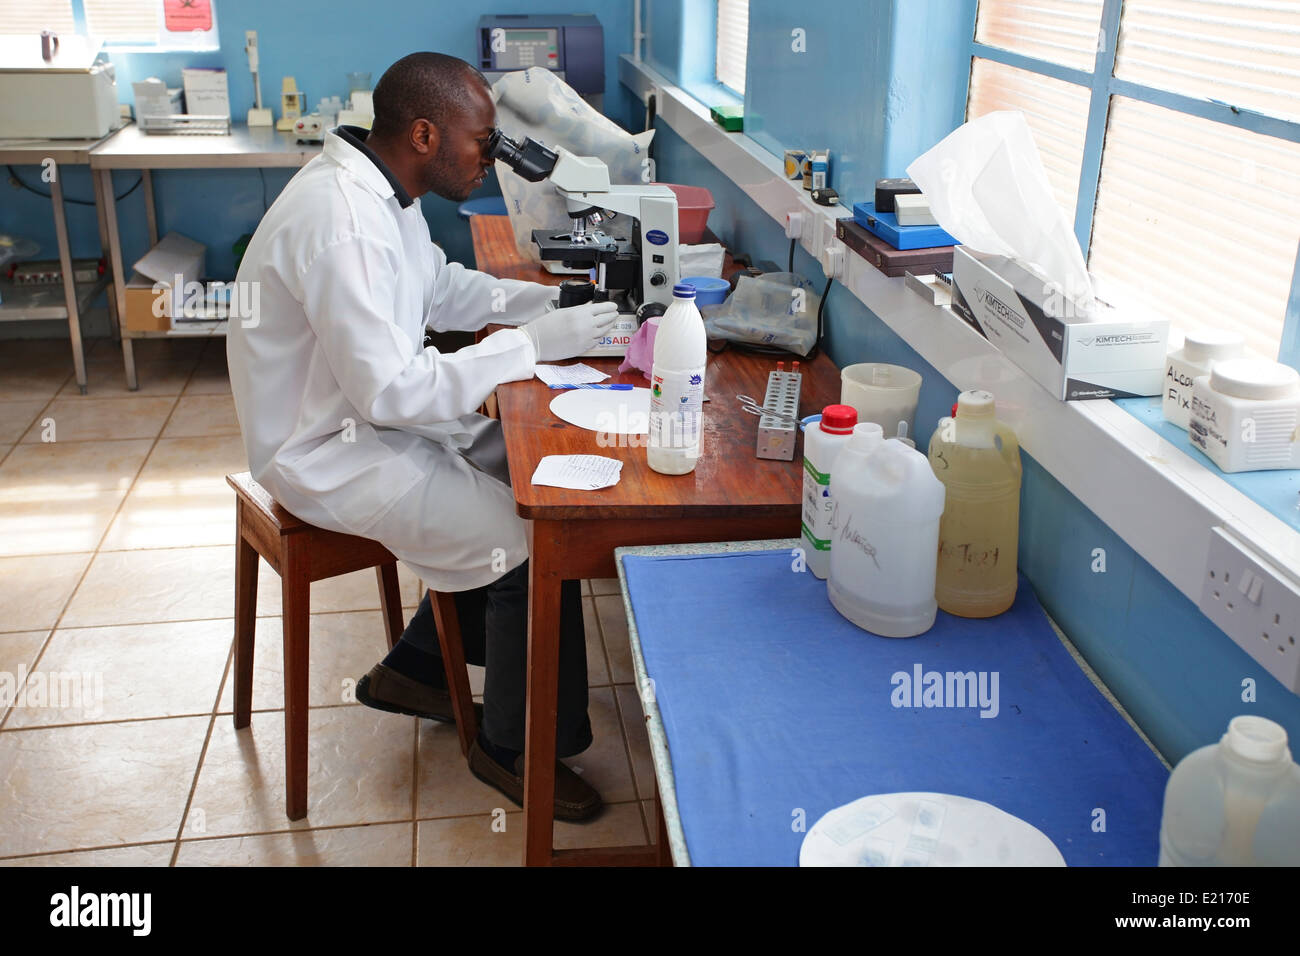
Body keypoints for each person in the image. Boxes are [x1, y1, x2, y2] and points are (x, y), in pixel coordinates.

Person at [226, 52, 618, 821]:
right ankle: (513, 749)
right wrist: (530, 348)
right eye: (483, 142)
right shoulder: (342, 223)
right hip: (323, 450)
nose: (490, 158)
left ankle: (419, 668)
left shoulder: (386, 192)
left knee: (517, 468)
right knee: (532, 537)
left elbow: (438, 286)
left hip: (358, 419)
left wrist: (542, 304)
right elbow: (392, 390)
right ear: (425, 132)